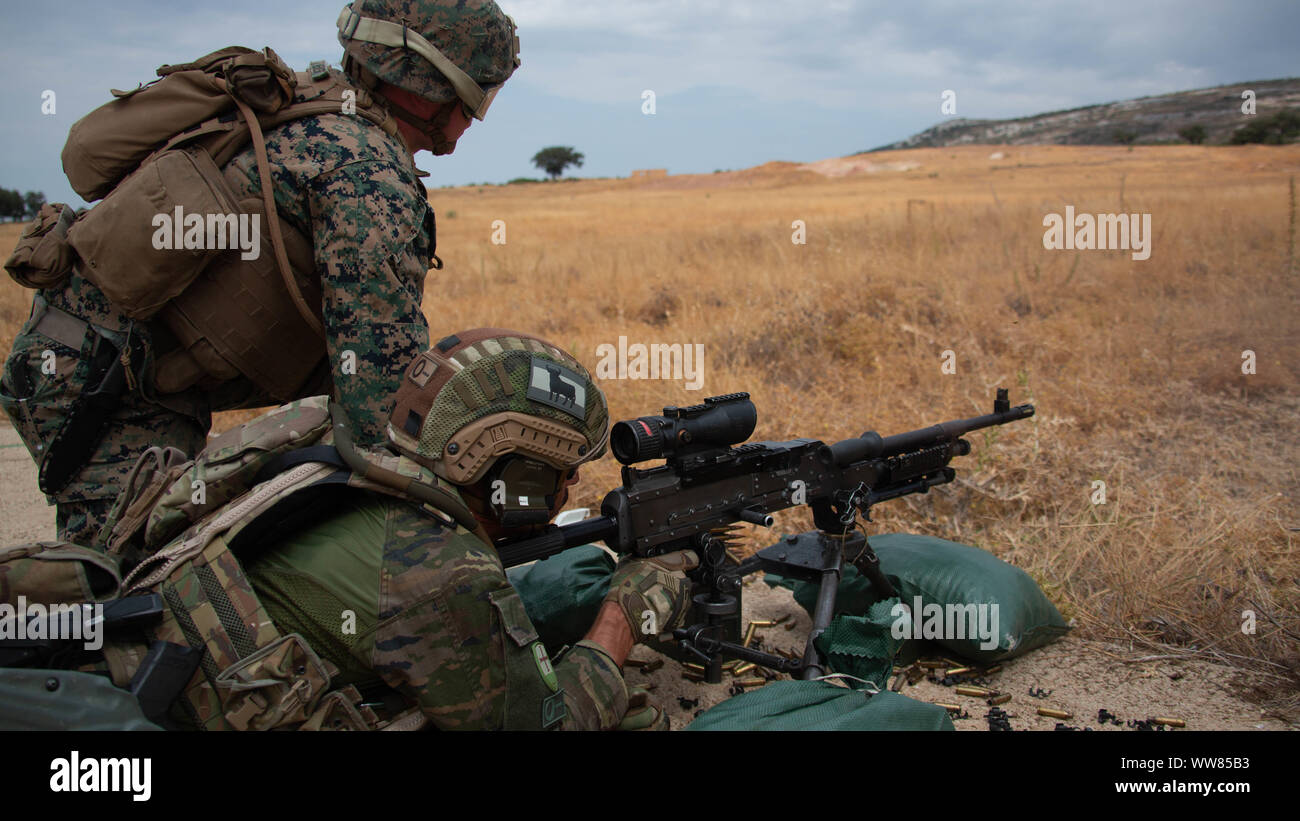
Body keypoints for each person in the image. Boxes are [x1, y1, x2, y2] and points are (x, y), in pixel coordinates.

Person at [0, 0, 520, 545]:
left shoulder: (315, 105)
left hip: (92, 366)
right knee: (135, 589)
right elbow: (379, 405)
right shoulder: (365, 173)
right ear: (425, 86)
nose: (474, 116)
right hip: (102, 390)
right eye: (476, 96)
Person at [230, 329, 699, 729]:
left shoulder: (363, 468)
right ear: (514, 476)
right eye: (562, 469)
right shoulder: (444, 573)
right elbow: (547, 721)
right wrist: (621, 618)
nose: (573, 480)